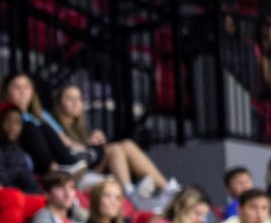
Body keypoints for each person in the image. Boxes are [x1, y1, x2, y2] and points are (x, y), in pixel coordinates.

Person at [45, 82, 175, 197]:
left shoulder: (82, 127)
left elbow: (92, 154)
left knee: (127, 144)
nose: (75, 103)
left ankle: (166, 188)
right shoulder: (54, 127)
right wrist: (88, 147)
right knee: (114, 149)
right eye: (69, 98)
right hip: (75, 172)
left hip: (90, 166)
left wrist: (99, 144)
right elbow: (68, 154)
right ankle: (128, 192)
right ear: (59, 103)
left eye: (78, 98)